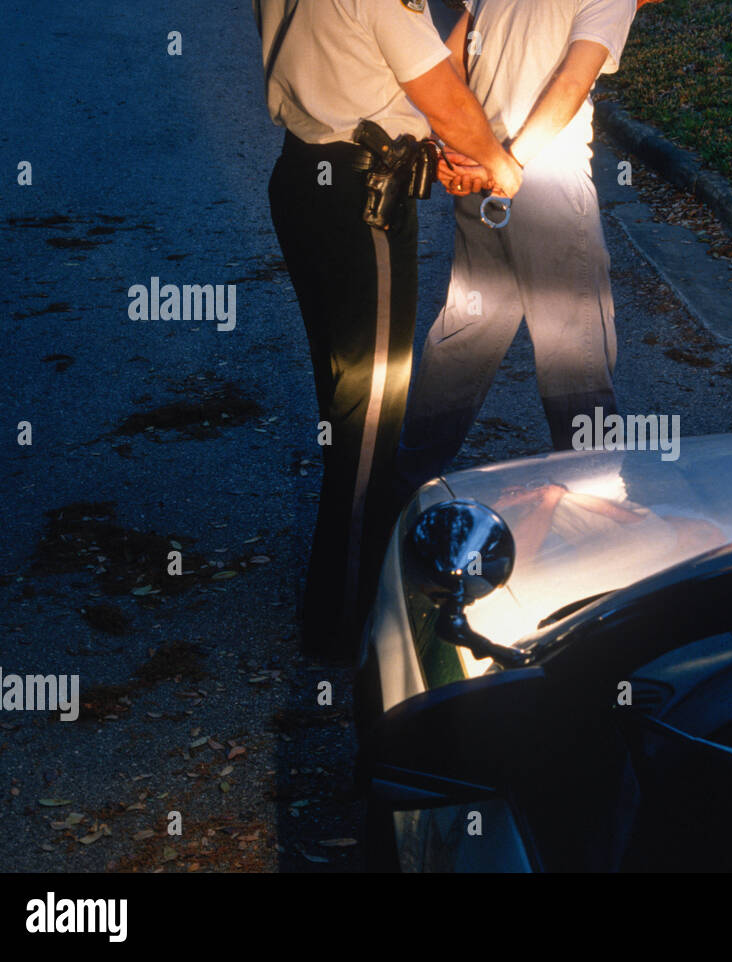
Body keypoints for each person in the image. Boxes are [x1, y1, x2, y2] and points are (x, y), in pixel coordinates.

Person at [253, 0, 523, 661]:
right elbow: (441, 93)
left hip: (306, 175)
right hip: (361, 202)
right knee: (371, 415)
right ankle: (347, 626)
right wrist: (497, 161)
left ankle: (341, 595)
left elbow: (358, 70)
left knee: (349, 407)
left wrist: (431, 151)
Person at [394, 0, 663, 501]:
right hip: (540, 178)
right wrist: (511, 164)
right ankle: (594, 498)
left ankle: (403, 485)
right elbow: (571, 82)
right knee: (576, 349)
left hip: (481, 168)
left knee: (467, 335)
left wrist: (452, 146)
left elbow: (451, 59)